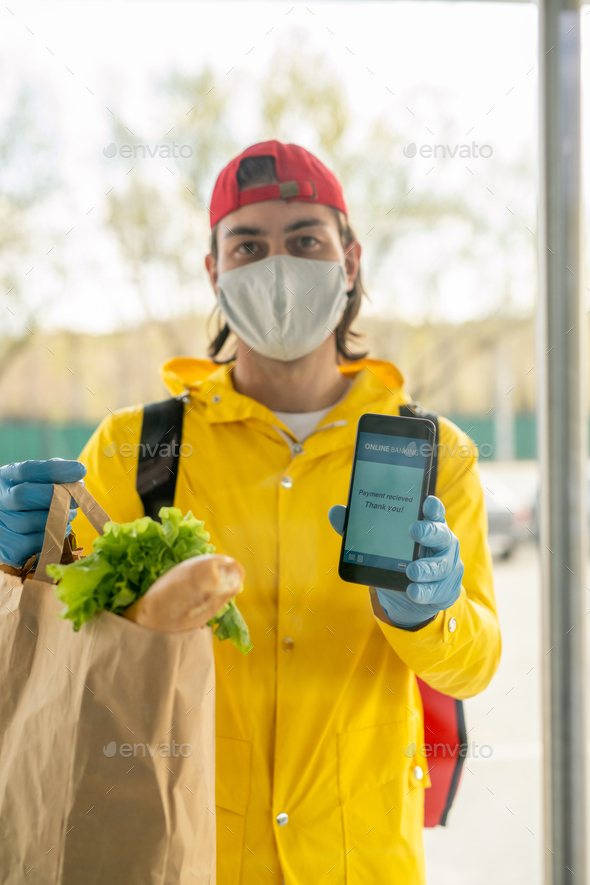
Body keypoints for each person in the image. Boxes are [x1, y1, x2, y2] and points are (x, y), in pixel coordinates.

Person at [0, 140, 500, 884]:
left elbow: (475, 662)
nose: (278, 264)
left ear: (350, 260)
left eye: (305, 240)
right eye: (249, 244)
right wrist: (15, 558)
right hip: (176, 851)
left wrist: (431, 613)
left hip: (361, 862)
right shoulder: (138, 448)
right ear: (215, 272)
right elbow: (54, 636)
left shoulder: (435, 455)